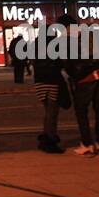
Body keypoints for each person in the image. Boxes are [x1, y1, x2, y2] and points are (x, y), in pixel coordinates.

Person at [59, 14, 99, 156]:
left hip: (82, 79)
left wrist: (68, 74)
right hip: (97, 75)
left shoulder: (67, 40)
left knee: (81, 112)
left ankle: (87, 144)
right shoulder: (88, 35)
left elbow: (68, 62)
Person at [28, 23, 67, 154]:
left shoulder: (35, 44)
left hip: (39, 80)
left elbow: (32, 61)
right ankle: (50, 140)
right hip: (52, 80)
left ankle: (46, 137)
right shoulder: (54, 44)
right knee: (52, 113)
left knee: (47, 112)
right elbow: (61, 61)